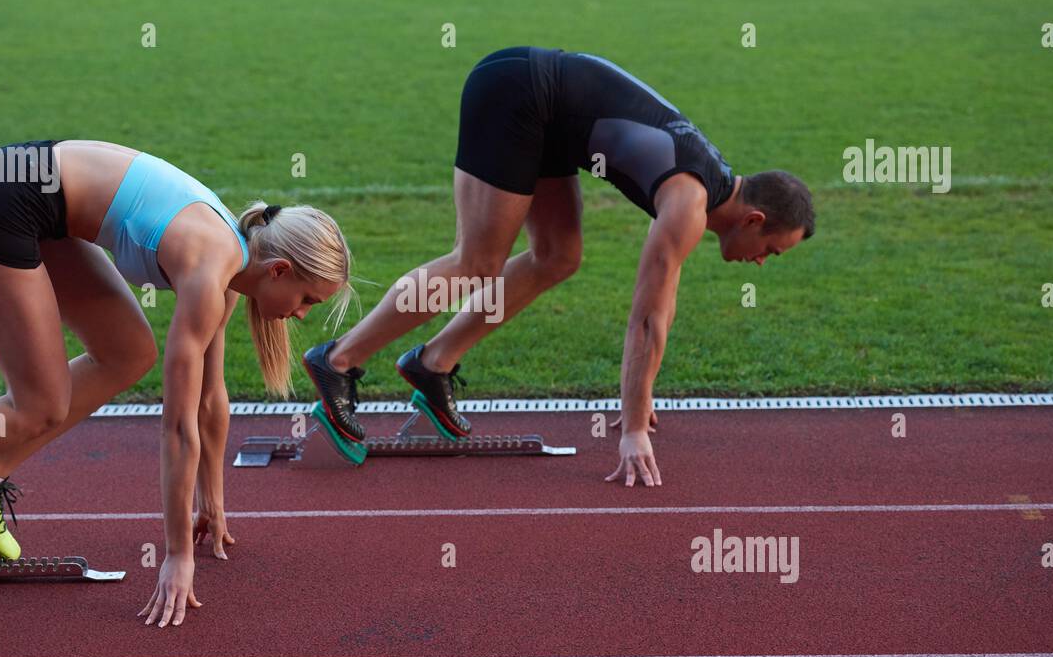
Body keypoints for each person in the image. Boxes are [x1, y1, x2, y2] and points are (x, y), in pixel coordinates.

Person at [0, 139, 353, 627]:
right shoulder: (211, 267)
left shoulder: (235, 262)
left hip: (36, 202)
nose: (302, 314)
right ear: (279, 270)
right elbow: (176, 426)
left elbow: (211, 399)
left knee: (128, 354)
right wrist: (175, 555)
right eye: (309, 300)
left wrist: (211, 501)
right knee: (38, 406)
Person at [301, 47, 814, 487]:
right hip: (518, 92)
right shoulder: (688, 204)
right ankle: (339, 361)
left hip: (548, 114)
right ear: (754, 218)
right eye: (772, 249)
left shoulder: (708, 183)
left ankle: (432, 363)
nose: (763, 262)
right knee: (477, 262)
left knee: (558, 257)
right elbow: (647, 320)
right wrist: (634, 426)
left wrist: (640, 396)